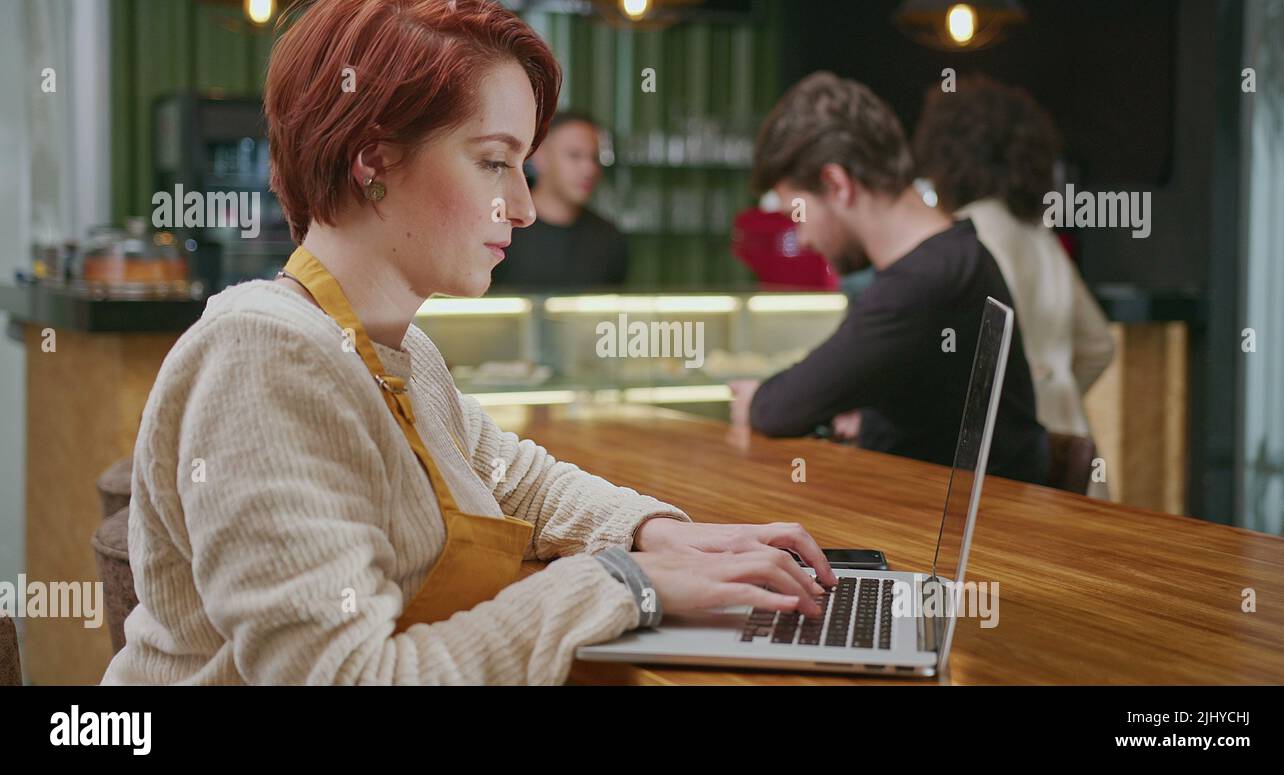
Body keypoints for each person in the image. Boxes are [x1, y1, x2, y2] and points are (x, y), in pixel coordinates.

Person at [101, 0, 835, 687]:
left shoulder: (401, 350)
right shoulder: (264, 356)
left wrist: (653, 534)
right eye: (493, 162)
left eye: (524, 168)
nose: (521, 207)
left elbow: (517, 480)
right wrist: (621, 583)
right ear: (372, 160)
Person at [729, 72, 1048, 485]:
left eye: (797, 214)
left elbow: (778, 410)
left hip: (986, 539)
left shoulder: (925, 280)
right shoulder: (951, 258)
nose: (803, 240)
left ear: (836, 183)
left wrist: (757, 399)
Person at [912, 75, 1115, 497]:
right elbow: (1099, 345)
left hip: (1014, 463)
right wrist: (1054, 384)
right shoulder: (1040, 236)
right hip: (1075, 452)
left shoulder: (966, 238)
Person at [490, 111, 628, 289]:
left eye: (595, 158)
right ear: (541, 158)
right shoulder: (501, 228)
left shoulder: (609, 238)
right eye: (575, 155)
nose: (589, 169)